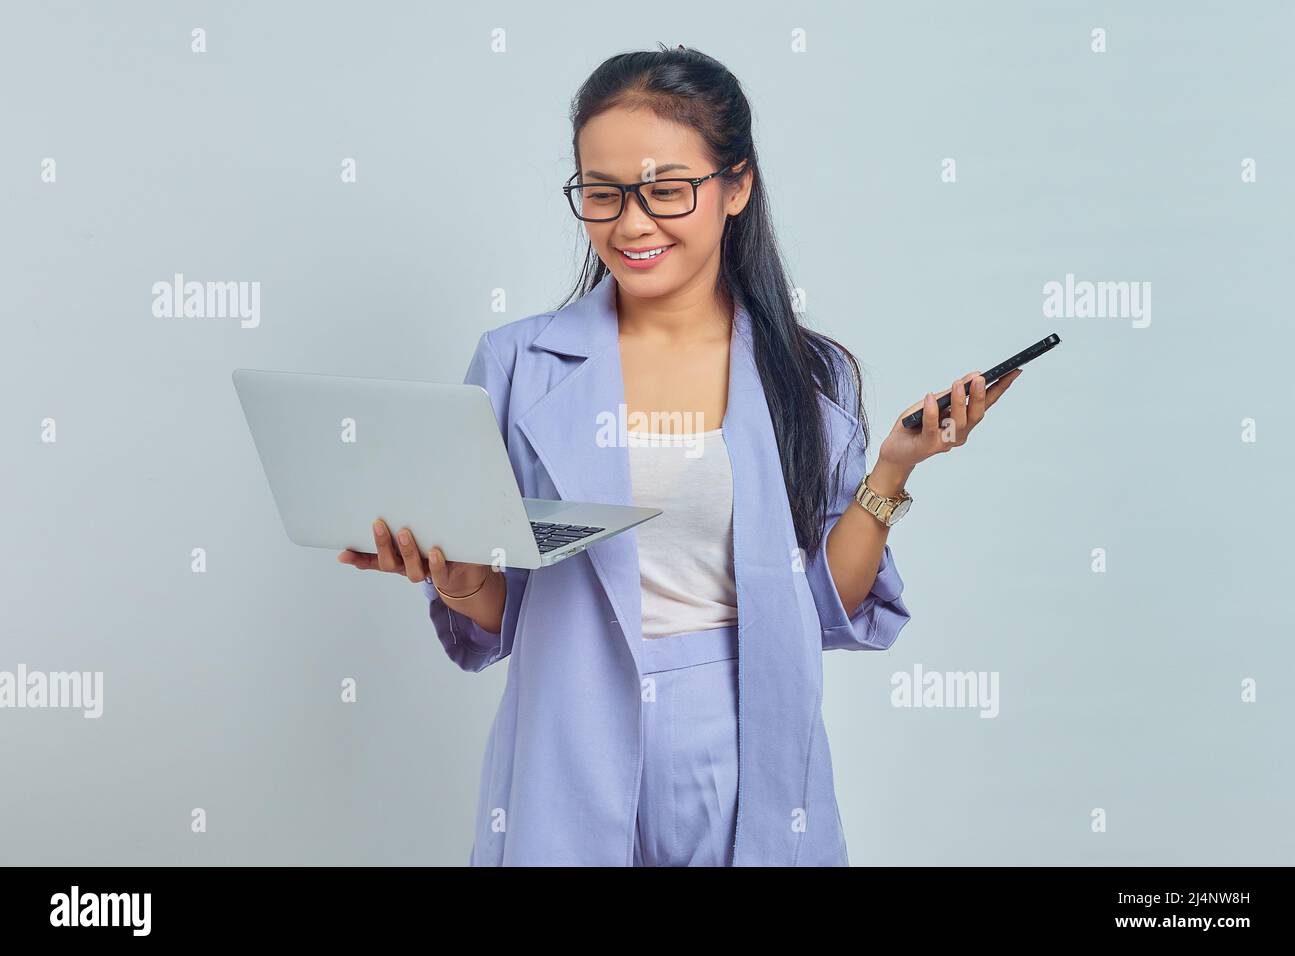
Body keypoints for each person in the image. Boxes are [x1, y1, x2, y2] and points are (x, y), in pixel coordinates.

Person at [340, 44, 1020, 866]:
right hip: (569, 741)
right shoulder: (517, 365)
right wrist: (452, 575)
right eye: (602, 193)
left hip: (746, 740)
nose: (631, 225)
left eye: (666, 191)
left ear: (736, 186)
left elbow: (821, 609)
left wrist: (892, 471)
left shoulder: (806, 373)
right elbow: (502, 610)